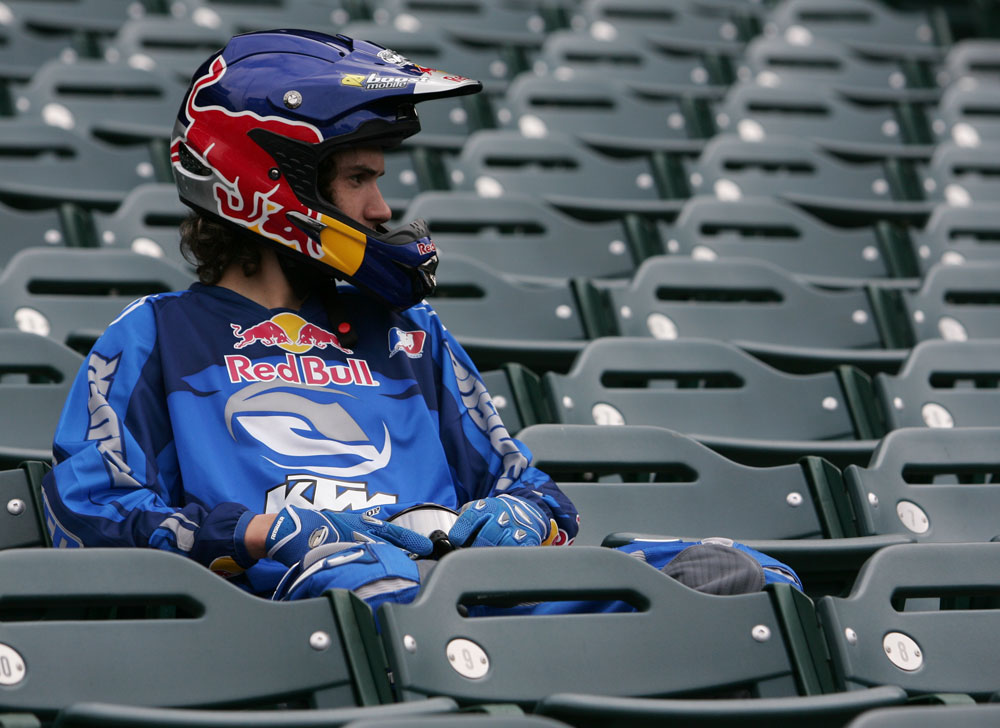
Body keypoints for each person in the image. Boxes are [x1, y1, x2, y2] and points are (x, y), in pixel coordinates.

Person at [42, 29, 800, 610]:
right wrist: (257, 533)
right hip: (310, 619)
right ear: (269, 185)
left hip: (474, 589)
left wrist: (520, 516)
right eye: (360, 179)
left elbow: (533, 492)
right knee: (368, 584)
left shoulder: (412, 337)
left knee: (746, 578)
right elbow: (93, 512)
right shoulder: (154, 338)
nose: (382, 210)